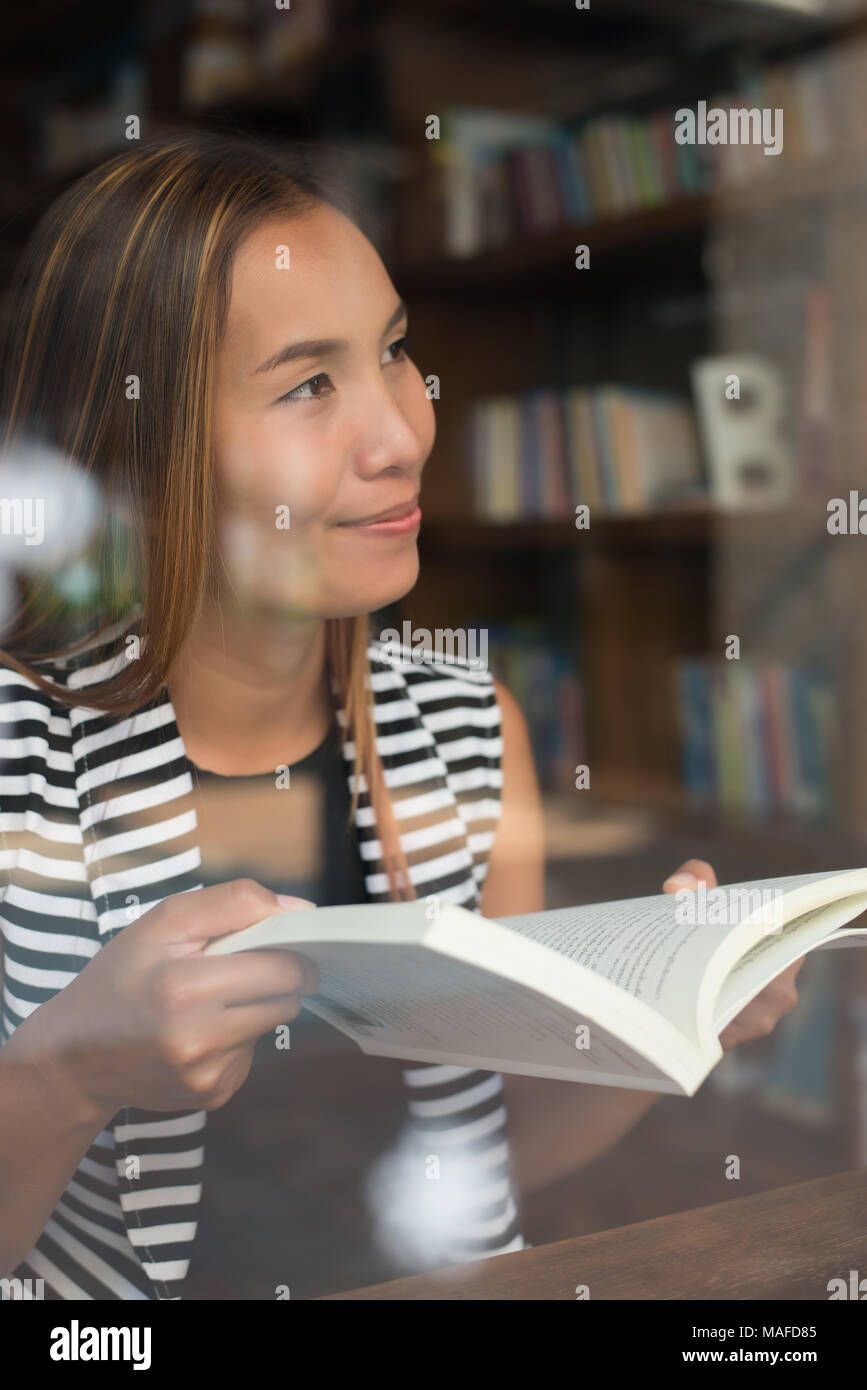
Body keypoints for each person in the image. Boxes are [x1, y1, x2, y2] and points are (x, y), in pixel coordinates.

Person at [0, 131, 803, 1300]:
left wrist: (668, 1031)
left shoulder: (471, 729)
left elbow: (492, 1154)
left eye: (394, 352)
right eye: (310, 384)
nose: (404, 431)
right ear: (135, 445)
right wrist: (65, 1072)